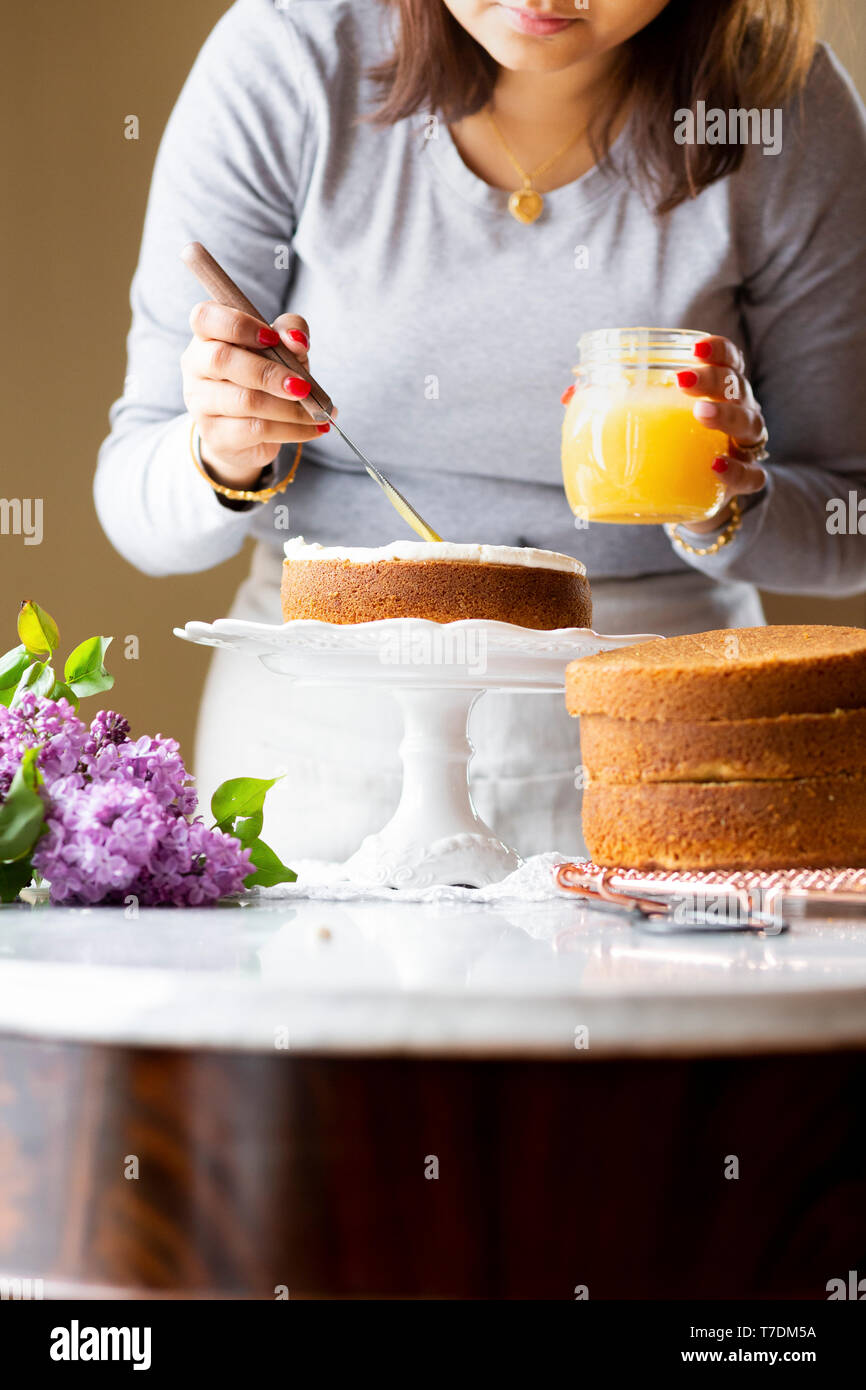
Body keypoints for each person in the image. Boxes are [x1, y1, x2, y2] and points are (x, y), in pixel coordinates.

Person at [95, 0, 866, 863]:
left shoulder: (784, 108)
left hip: (661, 749)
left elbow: (851, 522)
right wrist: (221, 454)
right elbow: (137, 509)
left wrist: (723, 503)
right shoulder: (291, 56)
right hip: (313, 751)